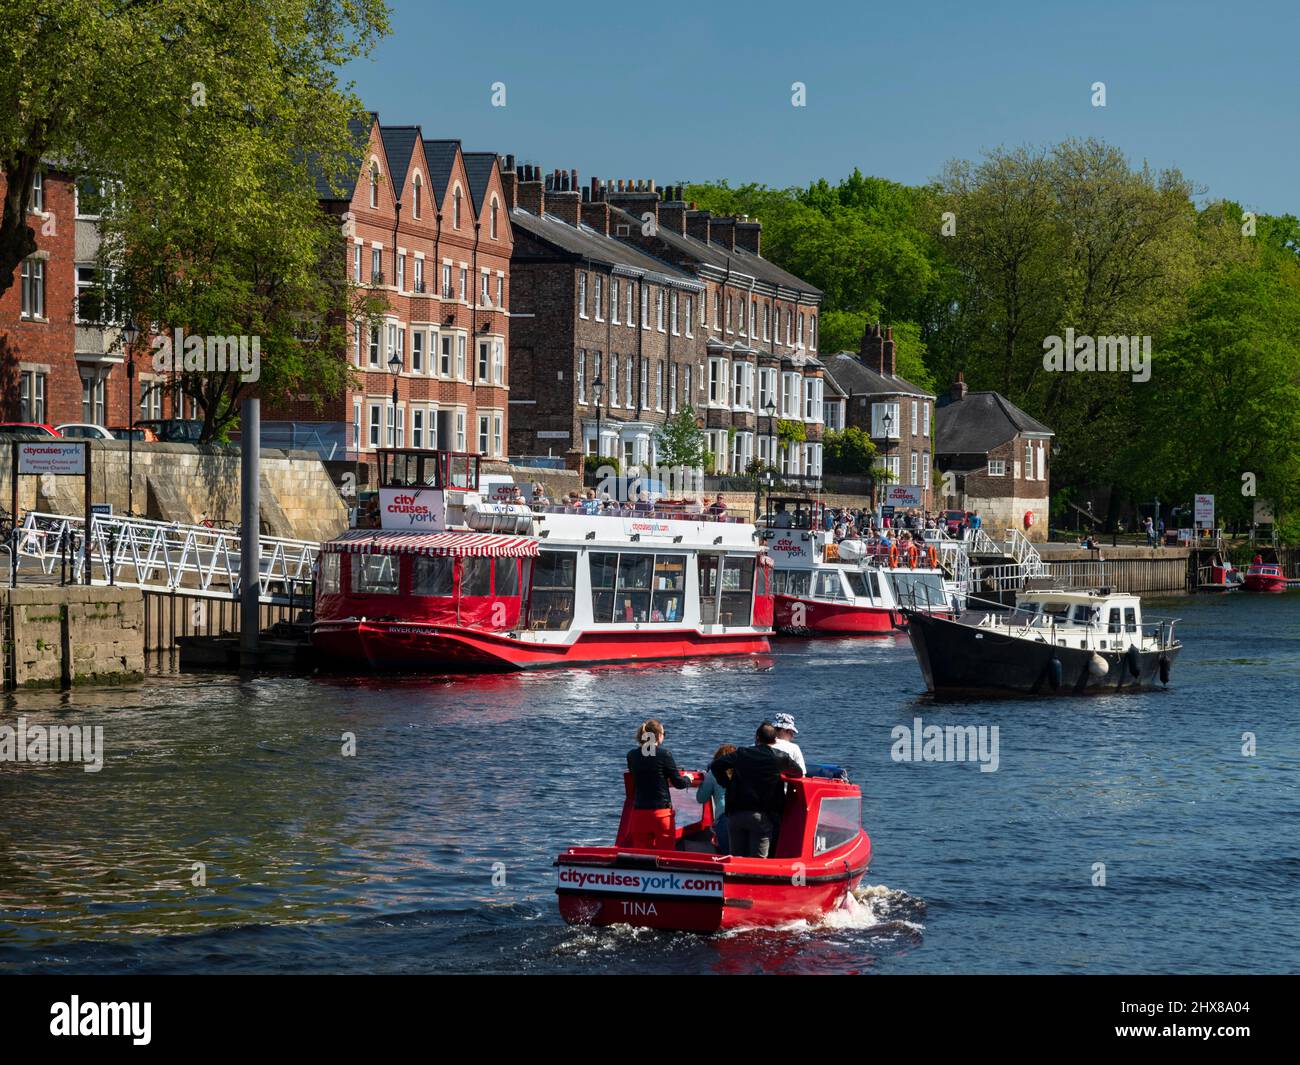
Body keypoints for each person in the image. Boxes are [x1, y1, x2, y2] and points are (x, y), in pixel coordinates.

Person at [708, 723, 803, 858]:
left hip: (736, 813)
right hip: (762, 816)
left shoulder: (741, 753)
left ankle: (735, 878)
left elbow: (716, 765)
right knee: (758, 860)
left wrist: (726, 783)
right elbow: (798, 773)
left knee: (736, 858)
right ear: (775, 740)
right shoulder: (779, 757)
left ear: (756, 738)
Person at [626, 718, 691, 849]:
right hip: (661, 814)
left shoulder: (632, 755)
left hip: (639, 814)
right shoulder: (664, 754)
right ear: (658, 736)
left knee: (641, 857)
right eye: (664, 734)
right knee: (666, 856)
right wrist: (688, 779)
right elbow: (679, 783)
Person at [696, 743, 736, 854]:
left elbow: (701, 798)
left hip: (724, 818)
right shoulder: (742, 772)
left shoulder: (713, 774)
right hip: (743, 815)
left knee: (727, 856)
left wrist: (704, 780)